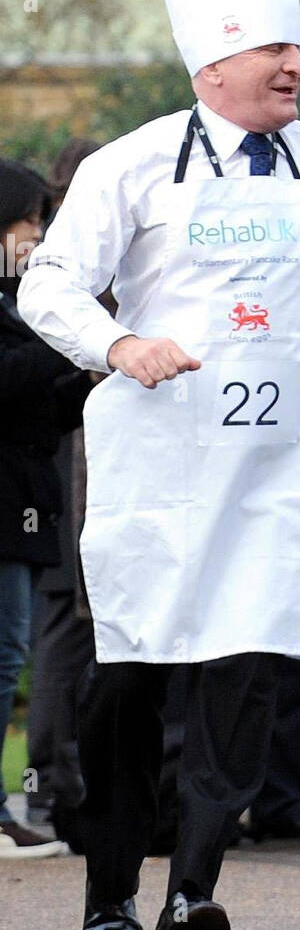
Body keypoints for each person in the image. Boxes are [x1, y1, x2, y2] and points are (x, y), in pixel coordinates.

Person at [17, 0, 300, 930]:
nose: (295, 66)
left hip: (280, 468)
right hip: (158, 473)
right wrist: (118, 347)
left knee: (247, 681)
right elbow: (50, 286)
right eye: (275, 47)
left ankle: (192, 892)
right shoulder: (132, 163)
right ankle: (108, 880)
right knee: (127, 685)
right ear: (214, 63)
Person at [0, 157, 90, 857]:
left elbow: (39, 409)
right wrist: (72, 343)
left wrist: (92, 375)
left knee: (9, 656)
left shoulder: (14, 301)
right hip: (8, 513)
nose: (38, 233)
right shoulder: (20, 308)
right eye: (31, 220)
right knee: (6, 656)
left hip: (24, 509)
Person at [26, 138, 101, 835]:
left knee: (68, 631)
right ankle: (53, 785)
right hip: (66, 467)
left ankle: (63, 783)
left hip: (68, 466)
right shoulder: (65, 262)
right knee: (64, 630)